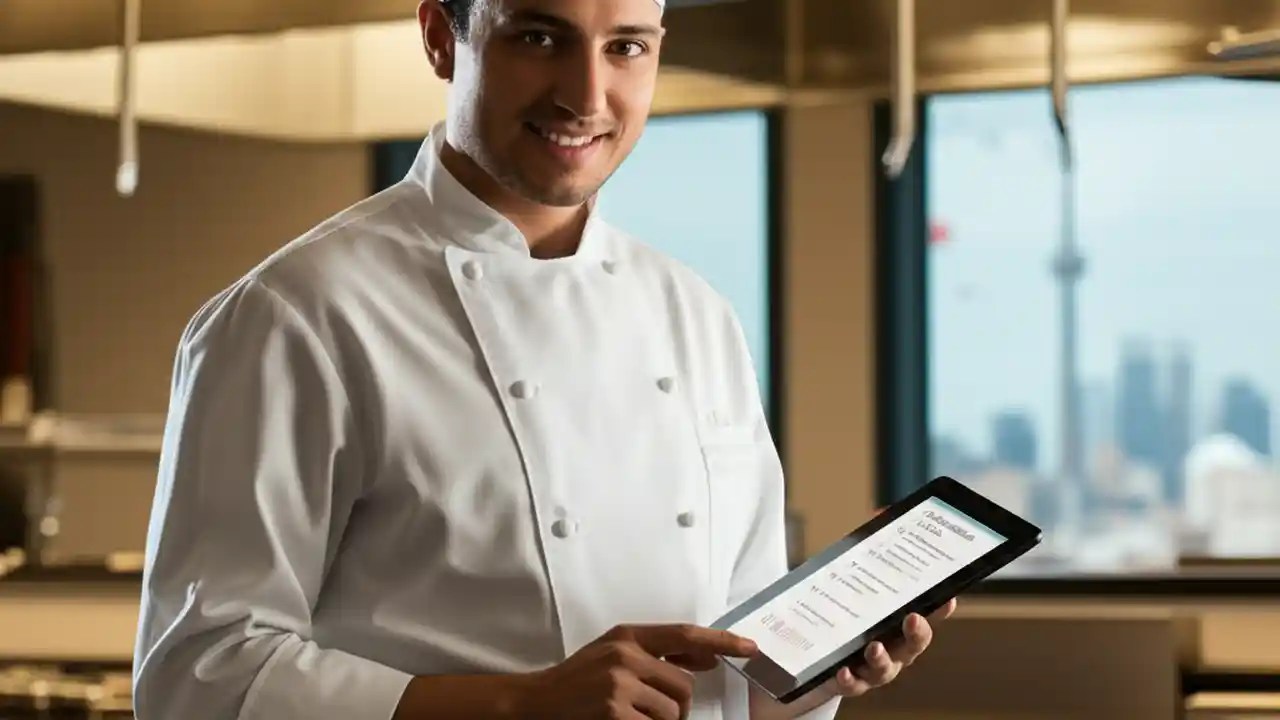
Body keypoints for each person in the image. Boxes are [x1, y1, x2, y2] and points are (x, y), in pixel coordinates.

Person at [131, 0, 955, 717]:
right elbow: (197, 676)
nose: (586, 95)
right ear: (440, 39)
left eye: (626, 46)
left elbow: (728, 692)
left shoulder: (696, 314)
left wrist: (816, 665)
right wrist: (520, 705)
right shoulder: (298, 315)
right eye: (538, 37)